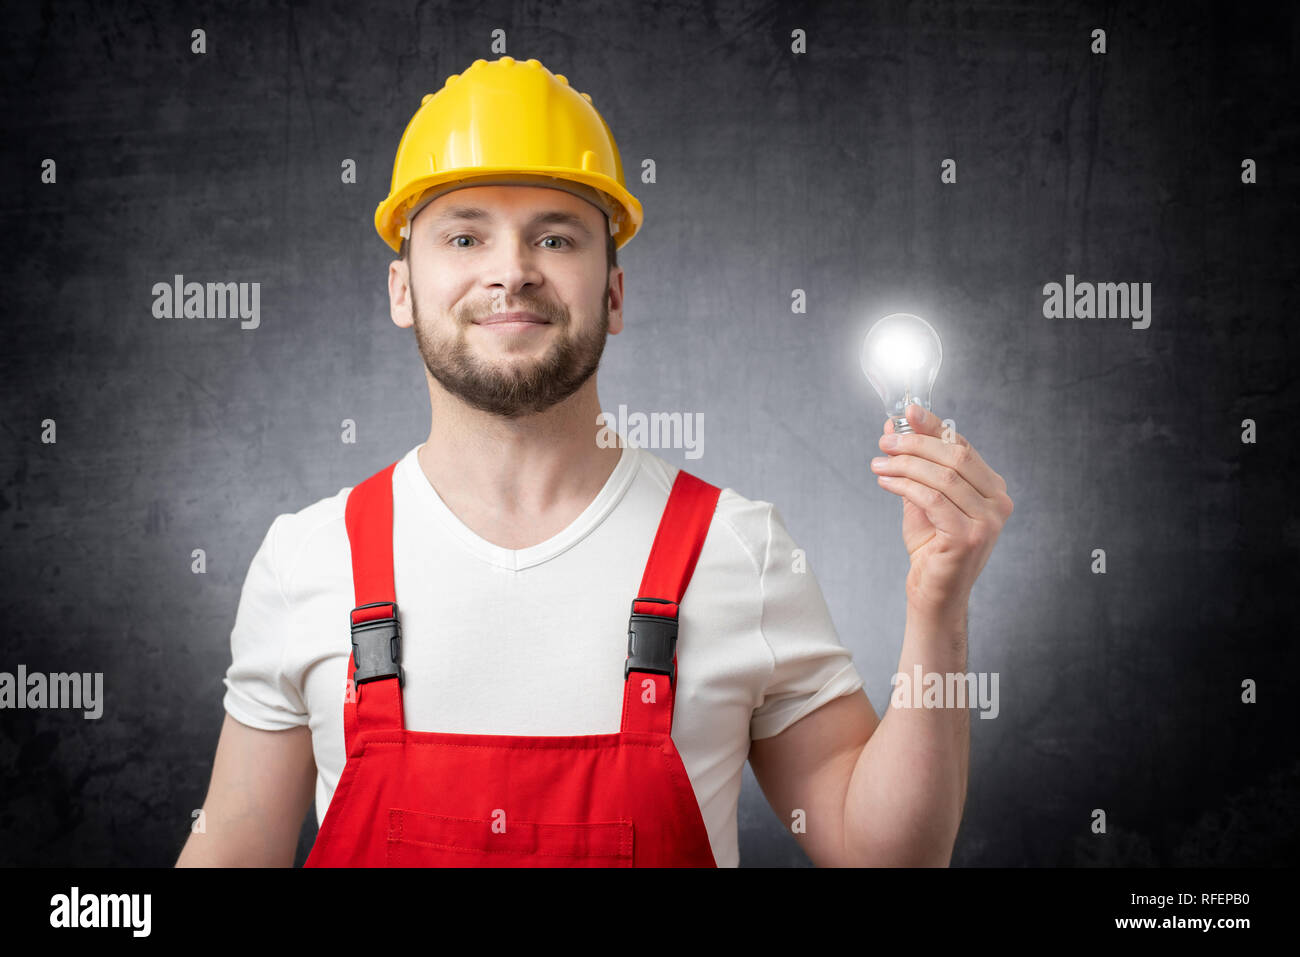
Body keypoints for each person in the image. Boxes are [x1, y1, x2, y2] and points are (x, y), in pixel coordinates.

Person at [176, 56, 1012, 868]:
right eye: (464, 235)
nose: (511, 271)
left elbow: (889, 857)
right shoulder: (307, 559)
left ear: (613, 293)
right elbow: (231, 852)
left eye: (556, 236)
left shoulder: (740, 550)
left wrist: (939, 608)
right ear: (403, 290)